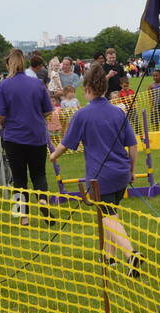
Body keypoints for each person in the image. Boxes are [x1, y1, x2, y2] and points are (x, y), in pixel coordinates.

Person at [48, 63, 137, 266]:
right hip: (121, 173)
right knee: (110, 212)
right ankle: (109, 258)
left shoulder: (82, 115)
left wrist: (53, 156)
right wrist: (132, 170)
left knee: (107, 216)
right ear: (104, 89)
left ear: (88, 89)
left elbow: (65, 144)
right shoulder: (118, 112)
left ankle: (131, 254)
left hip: (100, 178)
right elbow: (133, 145)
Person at [0, 49, 53, 225]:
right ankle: (42, 199)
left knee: (19, 178)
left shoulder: (3, 86)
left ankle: (23, 216)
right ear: (24, 63)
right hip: (37, 136)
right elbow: (48, 110)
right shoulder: (37, 84)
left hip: (14, 137)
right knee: (39, 174)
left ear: (7, 64)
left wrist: (6, 124)